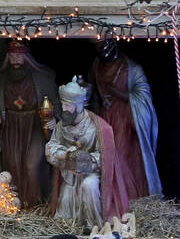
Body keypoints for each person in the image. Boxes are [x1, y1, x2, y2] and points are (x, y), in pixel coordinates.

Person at [46, 76, 128, 225]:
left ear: (78, 106)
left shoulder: (97, 127)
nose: (63, 109)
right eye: (63, 104)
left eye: (67, 105)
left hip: (91, 174)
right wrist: (64, 154)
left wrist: (84, 161)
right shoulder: (61, 126)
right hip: (70, 176)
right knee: (64, 204)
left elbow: (106, 156)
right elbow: (51, 147)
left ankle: (94, 226)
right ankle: (71, 230)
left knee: (88, 186)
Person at [0, 40, 60, 208]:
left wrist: (54, 118)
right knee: (12, 167)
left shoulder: (42, 78)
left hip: (34, 125)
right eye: (12, 56)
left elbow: (55, 103)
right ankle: (15, 204)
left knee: (31, 165)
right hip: (11, 127)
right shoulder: (0, 79)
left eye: (19, 55)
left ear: (26, 56)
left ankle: (36, 205)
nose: (15, 60)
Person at [90, 39, 160, 200]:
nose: (103, 51)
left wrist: (116, 92)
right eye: (98, 47)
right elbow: (94, 93)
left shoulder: (133, 69)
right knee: (106, 159)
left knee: (121, 159)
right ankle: (112, 201)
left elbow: (143, 96)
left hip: (128, 119)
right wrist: (98, 106)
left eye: (105, 46)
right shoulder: (96, 66)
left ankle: (130, 199)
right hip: (106, 118)